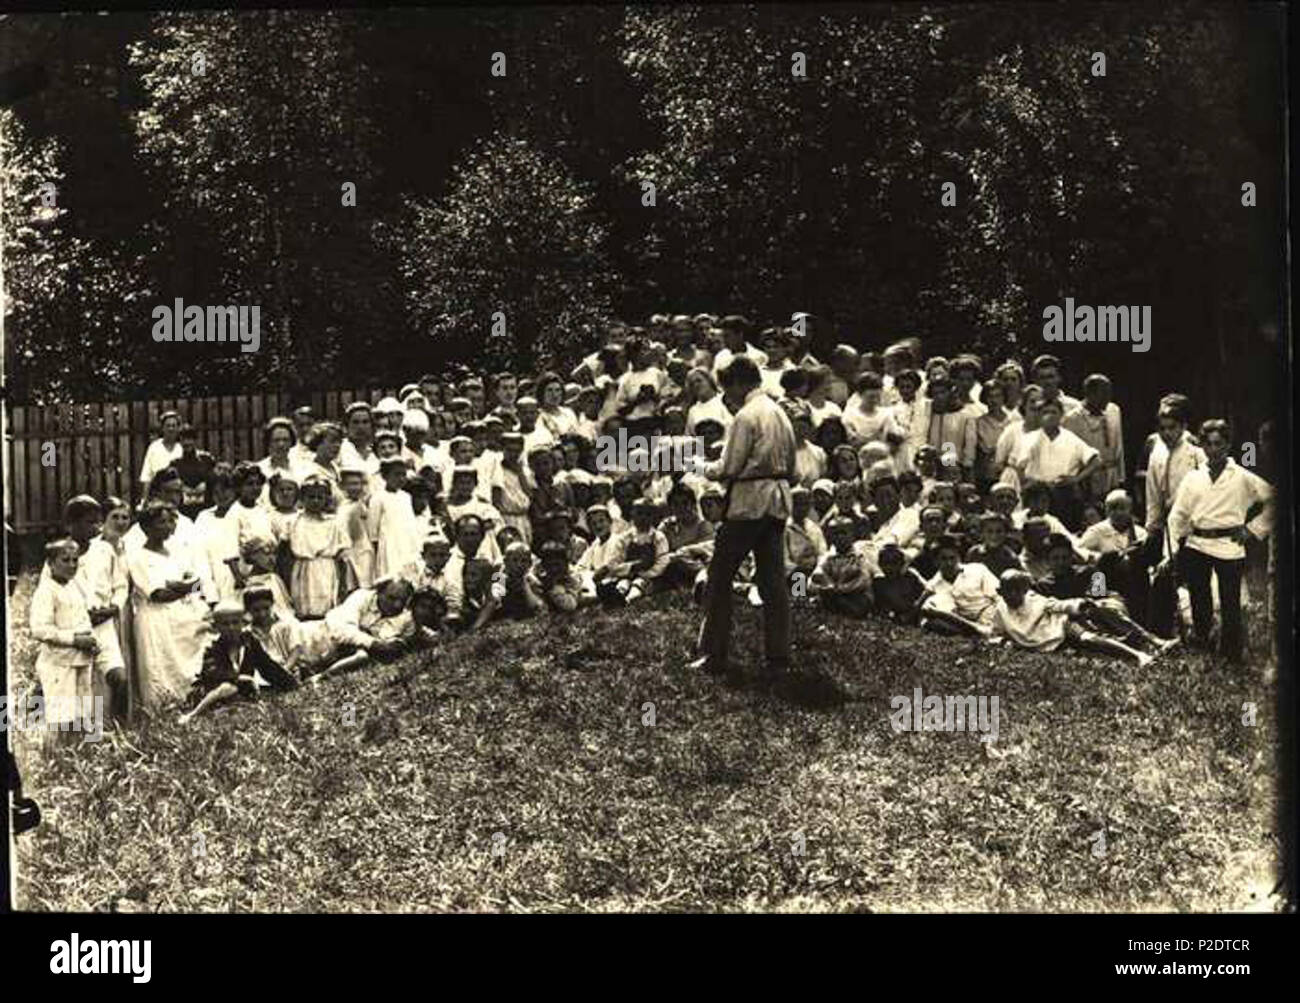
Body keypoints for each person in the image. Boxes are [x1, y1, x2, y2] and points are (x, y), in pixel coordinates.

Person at [690, 355, 797, 684]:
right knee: (772, 581)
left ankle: (713, 653)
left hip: (749, 503)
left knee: (719, 575)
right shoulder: (779, 412)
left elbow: (728, 468)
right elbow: (792, 465)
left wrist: (698, 464)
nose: (727, 397)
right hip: (777, 500)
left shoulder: (746, 416)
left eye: (728, 390)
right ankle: (779, 656)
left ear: (738, 383)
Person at [1166, 419, 1273, 662]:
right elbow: (1178, 515)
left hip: (1229, 546)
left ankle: (1231, 652)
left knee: (1230, 602)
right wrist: (1172, 549)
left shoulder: (1242, 476)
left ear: (1228, 444)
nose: (1213, 450)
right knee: (1199, 598)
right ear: (1202, 446)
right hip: (1197, 544)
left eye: (1219, 444)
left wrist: (1253, 529)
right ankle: (1203, 642)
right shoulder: (1193, 478)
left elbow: (1275, 500)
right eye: (1208, 444)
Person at [126, 501, 211, 708]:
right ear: (146, 527)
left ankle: (189, 700)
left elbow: (198, 583)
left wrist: (180, 586)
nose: (166, 527)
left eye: (169, 522)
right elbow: (158, 594)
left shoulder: (176, 552)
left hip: (180, 616)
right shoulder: (138, 558)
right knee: (159, 665)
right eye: (160, 522)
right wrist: (185, 587)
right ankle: (160, 707)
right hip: (155, 619)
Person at [30, 540, 111, 745]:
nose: (72, 565)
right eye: (65, 560)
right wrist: (74, 639)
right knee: (61, 715)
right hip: (59, 663)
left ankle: (79, 748)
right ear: (50, 563)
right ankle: (55, 752)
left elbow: (83, 620)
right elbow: (39, 629)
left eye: (75, 560)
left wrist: (92, 641)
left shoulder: (74, 586)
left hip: (81, 659)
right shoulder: (47, 591)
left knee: (82, 711)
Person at [991, 570, 1155, 666]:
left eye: (1017, 591)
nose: (1012, 595)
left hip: (1060, 626)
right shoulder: (1001, 610)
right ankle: (1122, 643)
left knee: (1088, 639)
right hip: (1045, 643)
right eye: (1007, 591)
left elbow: (1056, 605)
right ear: (1000, 592)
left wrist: (1078, 604)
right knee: (1089, 654)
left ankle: (1138, 655)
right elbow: (996, 633)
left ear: (1024, 591)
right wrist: (1005, 642)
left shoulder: (1033, 600)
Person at [179, 600, 299, 725]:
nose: (231, 628)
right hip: (214, 691)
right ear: (216, 627)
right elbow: (215, 674)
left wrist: (289, 683)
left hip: (241, 690)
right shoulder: (212, 647)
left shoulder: (249, 642)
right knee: (228, 688)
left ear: (242, 623)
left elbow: (267, 665)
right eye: (225, 624)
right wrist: (241, 678)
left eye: (235, 622)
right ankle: (193, 714)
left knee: (248, 694)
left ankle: (233, 709)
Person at [287, 476, 350, 618]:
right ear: (302, 498)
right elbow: (285, 552)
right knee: (304, 606)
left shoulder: (334, 523)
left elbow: (342, 555)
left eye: (319, 497)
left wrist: (344, 582)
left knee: (325, 606)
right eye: (311, 497)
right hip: (303, 568)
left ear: (326, 499)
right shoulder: (295, 521)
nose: (315, 501)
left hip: (326, 569)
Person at [138, 410, 184, 497]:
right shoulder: (154, 448)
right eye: (168, 426)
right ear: (162, 428)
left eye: (174, 426)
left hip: (178, 494)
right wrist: (144, 499)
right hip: (158, 493)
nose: (171, 429)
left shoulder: (182, 448)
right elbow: (147, 476)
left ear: (178, 428)